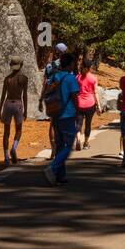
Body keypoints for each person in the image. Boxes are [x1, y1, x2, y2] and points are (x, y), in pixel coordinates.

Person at [44, 53, 80, 186]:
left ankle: (61, 175)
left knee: (59, 144)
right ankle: (53, 169)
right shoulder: (71, 78)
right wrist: (78, 112)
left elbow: (46, 90)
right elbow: (75, 96)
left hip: (55, 114)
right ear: (69, 64)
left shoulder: (54, 76)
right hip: (67, 114)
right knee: (69, 145)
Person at [39, 41, 69, 153]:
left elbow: (45, 84)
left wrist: (41, 99)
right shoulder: (67, 66)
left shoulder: (49, 66)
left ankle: (53, 150)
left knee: (52, 123)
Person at [0, 59, 28, 166]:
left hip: (7, 104)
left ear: (11, 65)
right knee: (18, 130)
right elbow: (24, 95)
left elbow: (3, 96)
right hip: (18, 104)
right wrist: (26, 111)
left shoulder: (7, 79)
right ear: (21, 65)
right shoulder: (24, 79)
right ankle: (14, 148)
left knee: (6, 132)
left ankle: (6, 158)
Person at [74, 57, 98, 151]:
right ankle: (86, 143)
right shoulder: (93, 78)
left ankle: (78, 139)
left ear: (84, 67)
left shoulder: (77, 77)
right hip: (90, 104)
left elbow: (75, 91)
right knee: (88, 124)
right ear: (89, 68)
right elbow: (95, 92)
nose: (80, 66)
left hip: (79, 104)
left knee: (79, 123)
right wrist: (98, 105)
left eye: (81, 65)